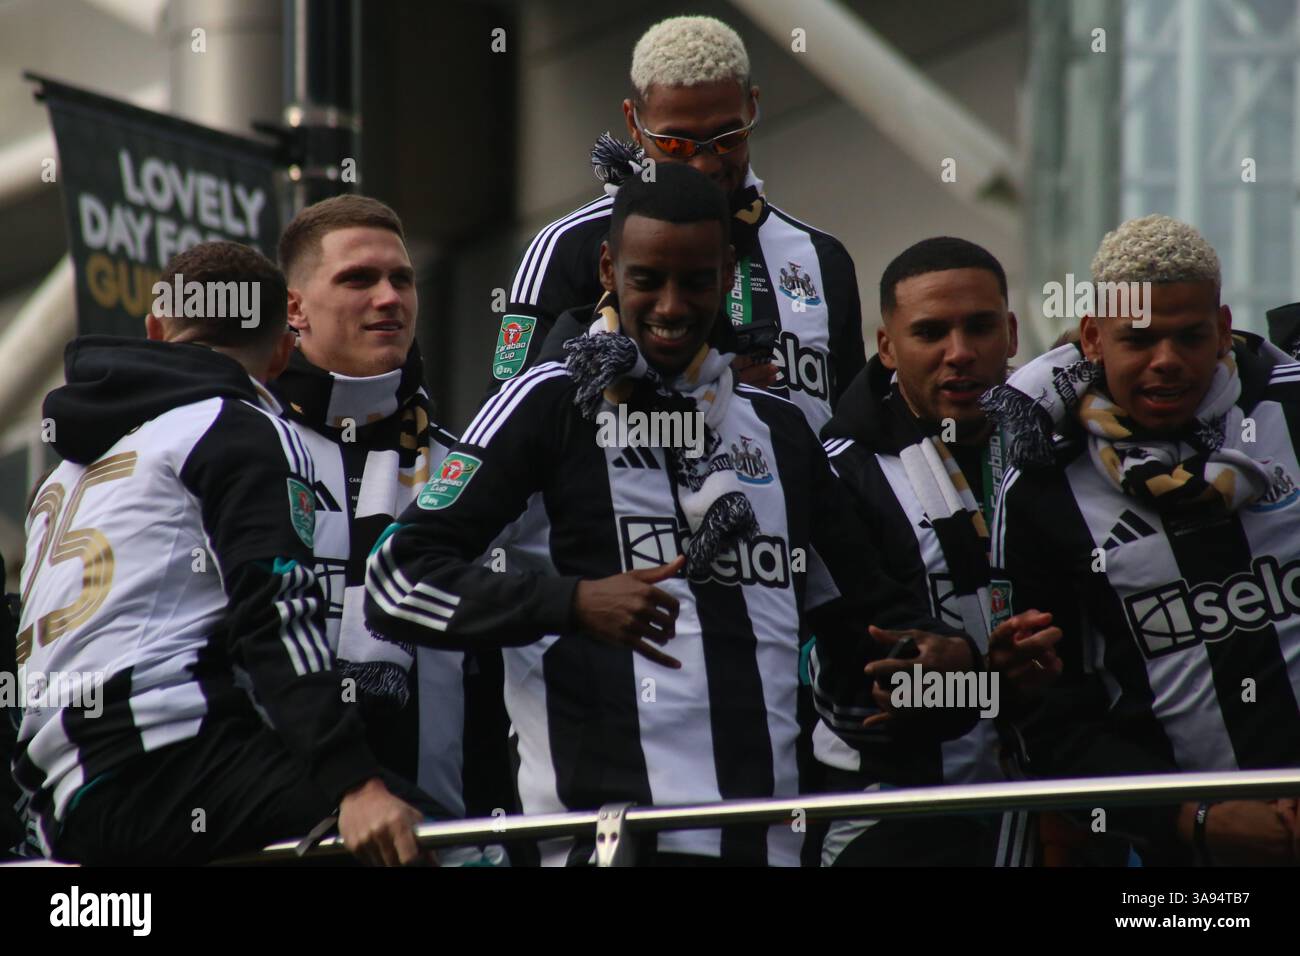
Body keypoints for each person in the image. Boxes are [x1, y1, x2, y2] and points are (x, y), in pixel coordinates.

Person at [366, 164, 984, 867]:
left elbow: (868, 639)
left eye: (694, 281)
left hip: (769, 855)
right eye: (646, 279)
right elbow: (396, 577)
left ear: (726, 272)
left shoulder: (781, 433)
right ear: (608, 267)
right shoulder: (547, 405)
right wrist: (571, 602)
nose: (670, 305)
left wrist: (950, 671)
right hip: (599, 850)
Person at [13, 240, 437, 865]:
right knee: (448, 845)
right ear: (284, 350)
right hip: (176, 764)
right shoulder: (238, 424)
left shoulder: (60, 476)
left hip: (61, 806)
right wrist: (355, 785)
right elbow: (276, 612)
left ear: (157, 329)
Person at [987, 214, 1300, 865]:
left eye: (1190, 336)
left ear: (1222, 328)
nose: (1167, 362)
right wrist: (1196, 820)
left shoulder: (1291, 413)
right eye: (1140, 340)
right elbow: (1049, 724)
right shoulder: (1043, 485)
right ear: (1093, 338)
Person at [488, 14, 863, 434]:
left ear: (753, 108)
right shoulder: (567, 246)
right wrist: (706, 398)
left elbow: (851, 449)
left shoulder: (821, 258)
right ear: (633, 123)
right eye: (675, 143)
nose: (704, 164)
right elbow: (510, 427)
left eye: (727, 138)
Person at [274, 196, 510, 854]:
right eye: (358, 279)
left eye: (401, 279)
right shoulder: (241, 454)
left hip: (451, 841)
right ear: (295, 308)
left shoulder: (473, 466)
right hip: (279, 839)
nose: (389, 298)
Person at [816, 237, 1063, 866]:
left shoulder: (1064, 450)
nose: (960, 353)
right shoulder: (837, 475)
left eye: (979, 327)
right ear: (887, 346)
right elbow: (838, 682)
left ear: (1010, 333)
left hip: (1067, 810)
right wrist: (983, 681)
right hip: (894, 822)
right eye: (930, 332)